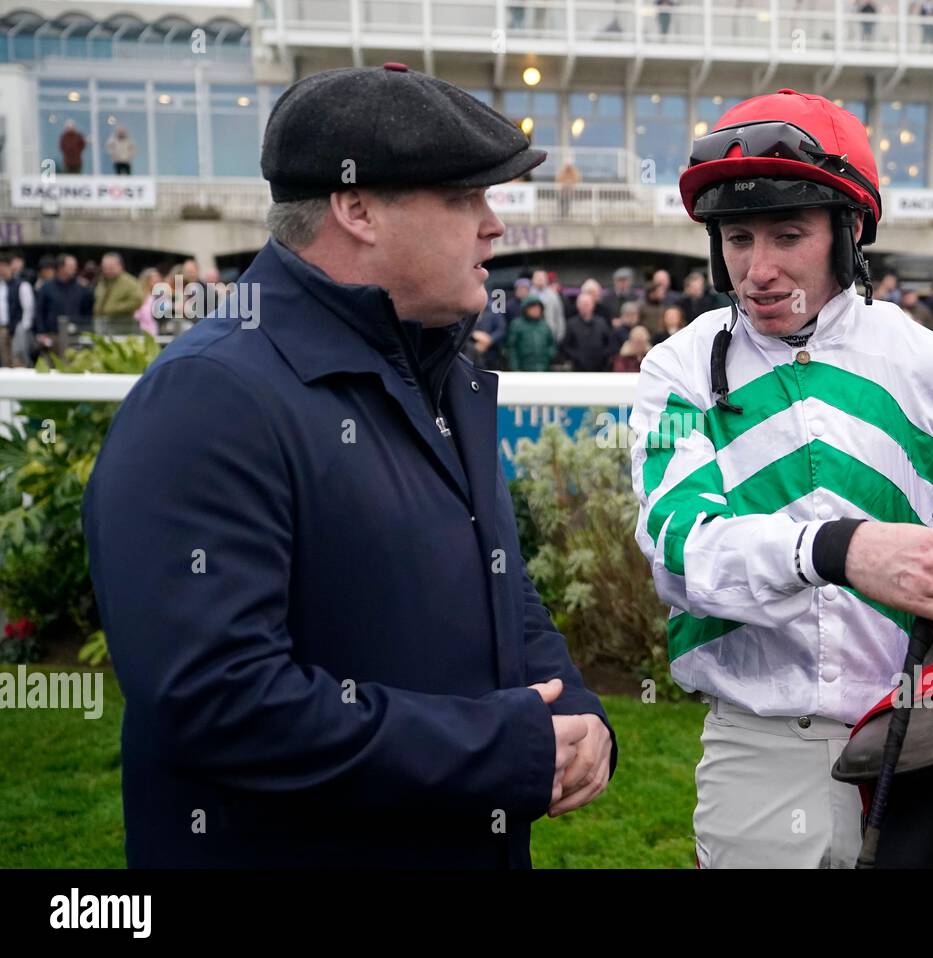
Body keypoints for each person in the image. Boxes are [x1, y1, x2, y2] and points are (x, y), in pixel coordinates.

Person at [82, 64, 615, 869]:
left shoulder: (437, 368)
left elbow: (500, 587)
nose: (493, 226)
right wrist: (498, 749)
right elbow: (218, 700)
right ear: (357, 207)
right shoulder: (208, 397)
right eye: (465, 196)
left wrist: (578, 716)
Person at [630, 88, 933, 869]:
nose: (757, 270)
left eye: (788, 235)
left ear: (850, 230)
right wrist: (838, 550)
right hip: (757, 751)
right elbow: (675, 547)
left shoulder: (923, 361)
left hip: (928, 737)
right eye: (737, 238)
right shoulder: (678, 372)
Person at [33, 253, 89, 363]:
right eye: (71, 266)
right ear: (61, 268)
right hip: (52, 336)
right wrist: (42, 333)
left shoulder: (81, 289)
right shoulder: (46, 288)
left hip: (73, 337)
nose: (75, 269)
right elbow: (39, 312)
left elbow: (86, 311)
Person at [559, 291, 615, 371]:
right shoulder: (571, 324)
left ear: (592, 306)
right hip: (578, 368)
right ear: (578, 306)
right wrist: (577, 357)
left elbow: (609, 343)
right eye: (582, 304)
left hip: (600, 368)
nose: (585, 307)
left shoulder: (601, 323)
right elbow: (565, 346)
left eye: (587, 304)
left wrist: (602, 355)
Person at [93, 252, 145, 333]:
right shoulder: (102, 282)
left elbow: (137, 300)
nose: (107, 270)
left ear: (120, 266)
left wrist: (113, 308)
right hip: (102, 325)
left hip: (122, 327)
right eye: (105, 268)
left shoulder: (130, 282)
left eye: (110, 267)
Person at [0, 252, 36, 367]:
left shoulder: (22, 285)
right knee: (6, 362)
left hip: (18, 328)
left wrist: (23, 328)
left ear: (10, 266)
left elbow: (28, 309)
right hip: (3, 329)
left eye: (3, 266)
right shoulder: (1, 285)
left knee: (19, 360)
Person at [507, 293, 556, 370]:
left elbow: (552, 344)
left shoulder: (545, 325)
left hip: (543, 368)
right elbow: (511, 348)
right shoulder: (516, 325)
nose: (536, 310)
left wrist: (548, 355)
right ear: (525, 309)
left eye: (538, 308)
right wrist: (515, 368)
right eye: (532, 308)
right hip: (523, 368)